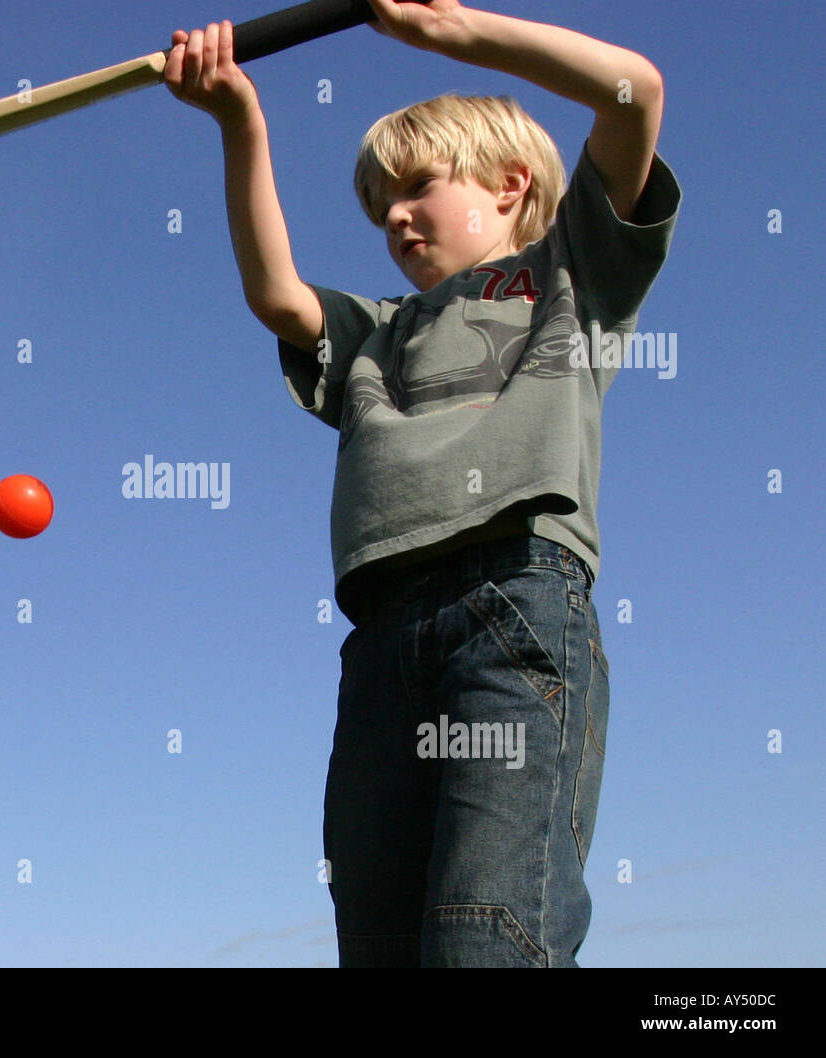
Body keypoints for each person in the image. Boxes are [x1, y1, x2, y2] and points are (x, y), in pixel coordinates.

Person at [164, 0, 681, 967]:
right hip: (383, 640)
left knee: (486, 936)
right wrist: (241, 121)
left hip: (515, 608)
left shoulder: (570, 277)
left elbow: (633, 92)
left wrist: (452, 31)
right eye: (379, 206)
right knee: (381, 941)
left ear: (510, 183)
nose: (394, 217)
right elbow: (275, 291)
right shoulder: (377, 330)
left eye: (416, 188)